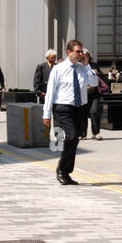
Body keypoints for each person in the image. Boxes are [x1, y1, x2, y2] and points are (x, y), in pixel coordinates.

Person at [43, 40, 98, 184]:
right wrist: (46, 114)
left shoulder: (82, 68)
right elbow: (50, 92)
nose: (80, 54)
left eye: (82, 52)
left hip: (80, 108)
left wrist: (87, 65)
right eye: (77, 52)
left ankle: (66, 172)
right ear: (69, 52)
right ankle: (62, 168)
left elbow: (94, 83)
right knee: (71, 136)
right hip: (63, 107)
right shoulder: (58, 69)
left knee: (74, 140)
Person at [81, 50, 106, 140]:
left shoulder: (93, 65)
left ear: (88, 56)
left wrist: (95, 73)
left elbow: (100, 77)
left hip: (94, 93)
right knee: (83, 113)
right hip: (83, 93)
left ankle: (96, 133)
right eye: (82, 56)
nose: (84, 57)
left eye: (85, 56)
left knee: (94, 112)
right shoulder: (78, 66)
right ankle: (83, 134)